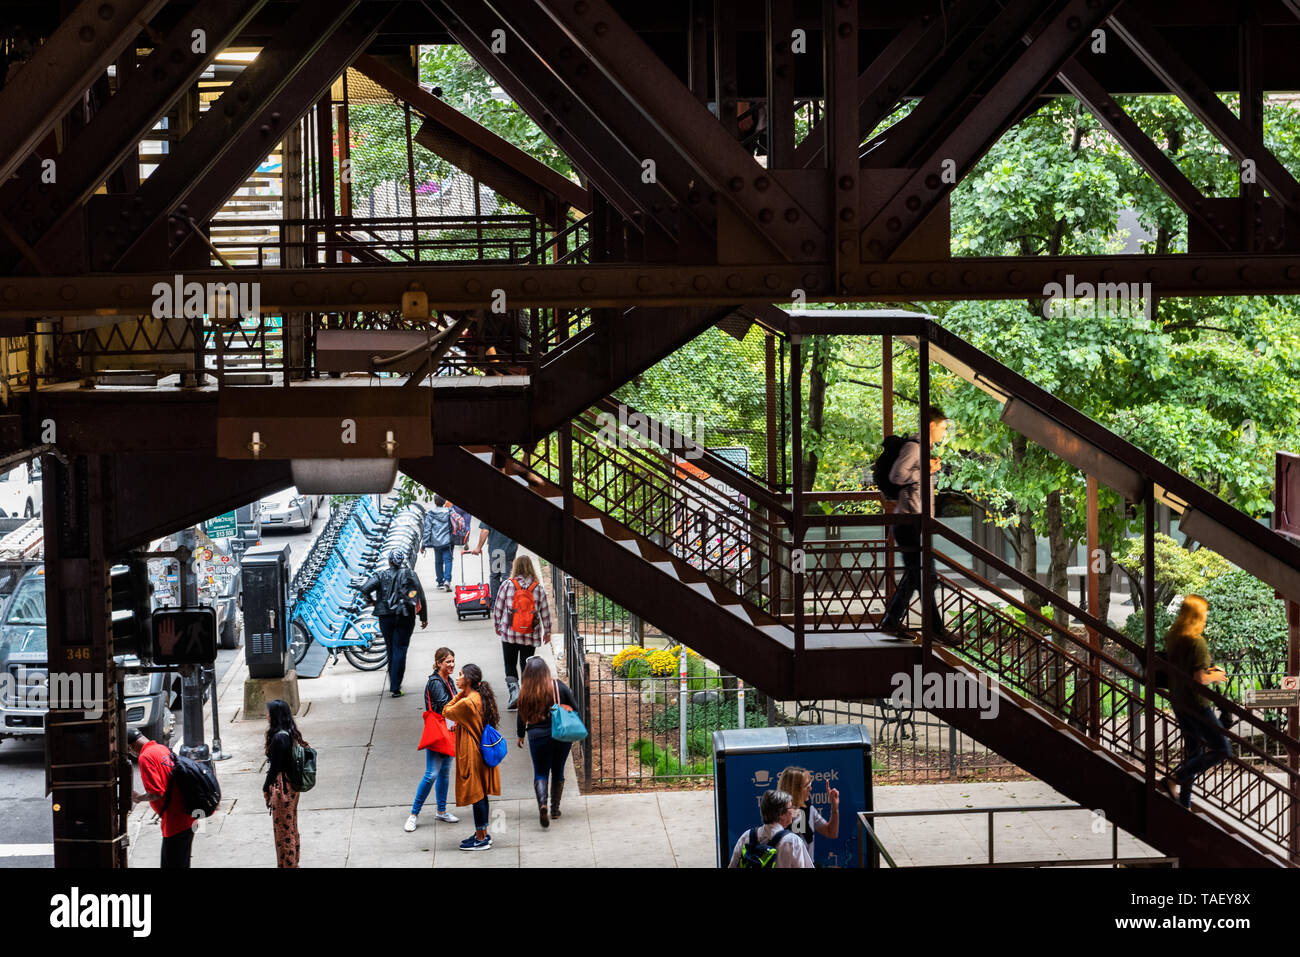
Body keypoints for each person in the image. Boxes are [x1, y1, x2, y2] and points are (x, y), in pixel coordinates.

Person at [878, 405, 959, 645]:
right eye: (943, 428)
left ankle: (891, 621)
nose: (944, 433)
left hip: (915, 522)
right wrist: (925, 470)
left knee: (919, 576)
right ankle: (934, 629)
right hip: (908, 522)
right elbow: (896, 476)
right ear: (931, 426)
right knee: (927, 576)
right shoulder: (914, 448)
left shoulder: (922, 450)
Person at [1160, 595, 1230, 809]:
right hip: (1197, 704)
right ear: (1198, 614)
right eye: (1205, 612)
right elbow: (1199, 679)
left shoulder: (1174, 638)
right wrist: (1215, 676)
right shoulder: (1197, 641)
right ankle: (1174, 779)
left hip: (1178, 701)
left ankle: (1184, 803)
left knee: (1195, 752)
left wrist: (1207, 672)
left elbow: (1185, 670)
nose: (1207, 616)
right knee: (1222, 750)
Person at [442, 663, 502, 851]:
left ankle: (481, 839)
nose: (457, 678)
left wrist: (461, 693)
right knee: (481, 794)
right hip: (481, 753)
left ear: (468, 680)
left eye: (460, 675)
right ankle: (481, 833)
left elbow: (446, 710)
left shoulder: (468, 701)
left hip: (473, 754)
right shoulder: (478, 697)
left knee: (477, 795)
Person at [516, 656, 578, 828]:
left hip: (537, 735)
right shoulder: (559, 687)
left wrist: (520, 735)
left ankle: (542, 804)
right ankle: (555, 810)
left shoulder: (525, 691)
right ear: (546, 671)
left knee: (540, 772)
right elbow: (575, 708)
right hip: (560, 735)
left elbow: (521, 717)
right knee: (558, 770)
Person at [406, 647, 461, 831]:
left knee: (444, 773)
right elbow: (446, 706)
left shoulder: (448, 680)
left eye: (453, 661)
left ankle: (441, 811)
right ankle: (413, 814)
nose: (452, 665)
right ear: (438, 663)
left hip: (449, 730)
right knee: (432, 774)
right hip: (439, 731)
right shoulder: (436, 683)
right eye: (448, 662)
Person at [360, 549, 428, 697]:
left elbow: (364, 588)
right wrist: (423, 616)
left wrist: (372, 601)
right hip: (405, 615)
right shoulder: (410, 574)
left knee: (391, 648)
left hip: (385, 617)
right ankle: (395, 686)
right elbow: (420, 595)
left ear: (389, 561)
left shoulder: (381, 575)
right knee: (401, 648)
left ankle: (394, 681)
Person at [491, 555, 553, 710]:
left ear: (515, 567)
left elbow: (498, 607)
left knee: (509, 664)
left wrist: (497, 624)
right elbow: (544, 611)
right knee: (526, 664)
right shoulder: (537, 588)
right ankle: (527, 695)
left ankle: (514, 693)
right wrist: (547, 631)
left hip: (510, 633)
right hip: (530, 634)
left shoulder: (507, 585)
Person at [128, 729, 196, 868]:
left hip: (175, 821)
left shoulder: (145, 757)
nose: (131, 753)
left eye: (129, 750)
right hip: (187, 816)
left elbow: (157, 792)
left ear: (132, 745)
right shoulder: (160, 748)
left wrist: (138, 797)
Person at [263, 699, 308, 868]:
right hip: (291, 787)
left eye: (269, 712)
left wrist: (265, 788)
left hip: (282, 788)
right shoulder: (289, 733)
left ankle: (288, 864)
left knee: (284, 832)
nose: (267, 715)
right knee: (290, 826)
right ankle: (292, 862)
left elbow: (274, 768)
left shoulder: (279, 738)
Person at [727, 789, 814, 868]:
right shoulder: (793, 842)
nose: (793, 811)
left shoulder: (746, 837)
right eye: (790, 807)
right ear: (781, 814)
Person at [777, 766, 839, 862]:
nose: (811, 788)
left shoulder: (809, 809)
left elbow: (831, 832)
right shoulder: (777, 815)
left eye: (810, 784)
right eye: (807, 785)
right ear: (795, 789)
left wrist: (834, 808)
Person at [420, 495, 454, 592]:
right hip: (447, 541)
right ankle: (447, 580)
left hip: (436, 543)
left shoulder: (430, 514)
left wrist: (423, 545)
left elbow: (427, 531)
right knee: (448, 560)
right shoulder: (449, 512)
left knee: (438, 562)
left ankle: (440, 582)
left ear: (435, 502)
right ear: (444, 502)